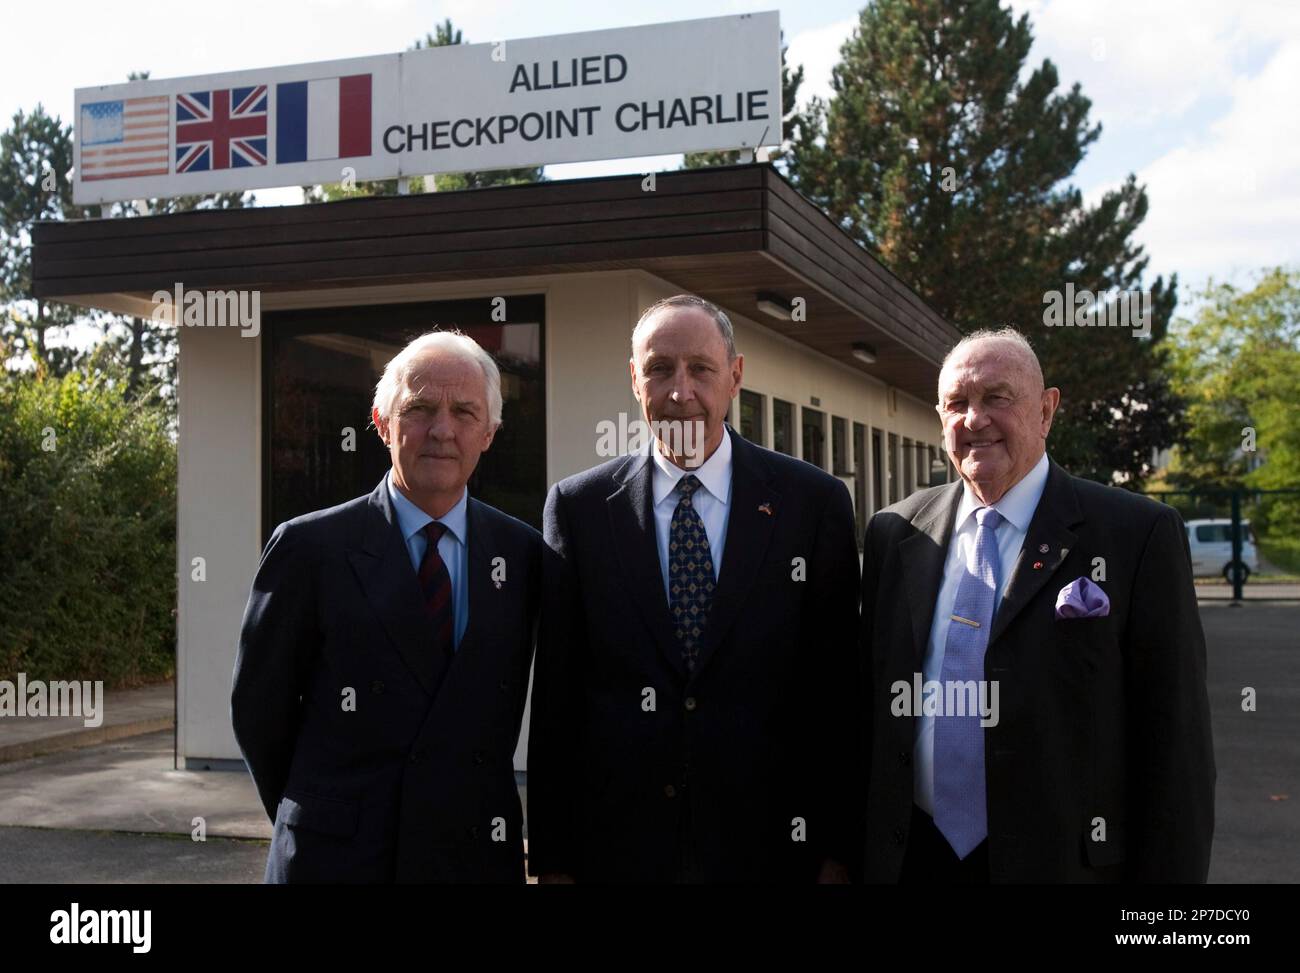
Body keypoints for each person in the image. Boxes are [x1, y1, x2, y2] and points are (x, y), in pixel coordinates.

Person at [860, 327, 1214, 882]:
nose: (974, 419)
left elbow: (1177, 746)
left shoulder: (1135, 535)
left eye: (997, 398)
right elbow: (868, 708)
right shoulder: (895, 531)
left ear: (1046, 411)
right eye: (957, 404)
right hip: (914, 859)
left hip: (1063, 865)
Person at [527, 294, 860, 883]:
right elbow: (557, 701)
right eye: (659, 369)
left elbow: (837, 694)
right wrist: (553, 863)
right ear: (635, 380)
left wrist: (837, 853)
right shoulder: (578, 509)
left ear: (734, 377)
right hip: (621, 854)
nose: (680, 391)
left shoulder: (812, 505)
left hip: (774, 851)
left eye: (701, 369)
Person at [232, 330, 541, 883]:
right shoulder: (310, 548)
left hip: (472, 862)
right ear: (381, 422)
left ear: (490, 433)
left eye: (465, 412)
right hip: (339, 864)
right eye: (419, 408)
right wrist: (322, 813)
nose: (442, 430)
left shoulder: (522, 555)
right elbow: (260, 711)